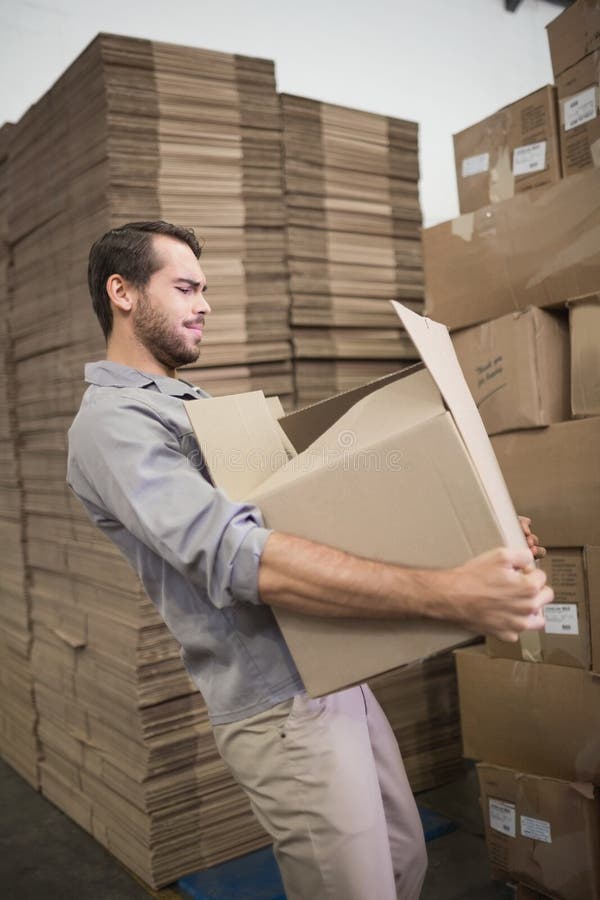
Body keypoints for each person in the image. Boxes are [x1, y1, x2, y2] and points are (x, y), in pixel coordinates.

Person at [67, 220, 552, 900]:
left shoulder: (194, 407)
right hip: (279, 706)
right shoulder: (114, 425)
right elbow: (240, 556)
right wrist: (449, 592)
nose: (204, 304)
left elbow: (322, 514)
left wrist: (476, 538)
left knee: (403, 863)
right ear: (121, 292)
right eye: (185, 288)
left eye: (205, 289)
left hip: (332, 673)